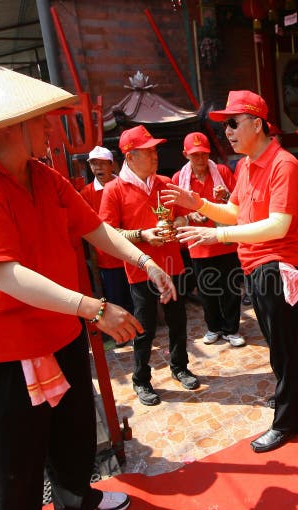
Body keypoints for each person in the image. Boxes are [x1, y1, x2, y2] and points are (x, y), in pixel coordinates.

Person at [0, 63, 175, 510]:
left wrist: (146, 261)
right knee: (17, 458)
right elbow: (5, 274)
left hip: (61, 327)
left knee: (74, 429)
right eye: (43, 120)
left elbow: (96, 228)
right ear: (12, 127)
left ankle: (75, 499)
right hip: (11, 341)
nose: (52, 129)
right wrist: (97, 308)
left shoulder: (42, 175)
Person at [162, 90, 298, 453]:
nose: (226, 131)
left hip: (278, 265)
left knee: (283, 346)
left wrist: (217, 234)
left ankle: (287, 420)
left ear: (257, 124)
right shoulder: (244, 165)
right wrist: (199, 204)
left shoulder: (283, 164)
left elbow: (278, 225)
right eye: (224, 125)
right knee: (280, 340)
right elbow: (235, 211)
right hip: (255, 264)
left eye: (232, 123)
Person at [99, 125, 200, 404]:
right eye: (148, 151)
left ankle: (180, 367)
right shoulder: (114, 190)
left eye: (155, 150)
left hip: (172, 264)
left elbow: (185, 217)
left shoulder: (165, 183)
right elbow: (108, 232)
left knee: (178, 321)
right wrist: (142, 235)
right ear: (130, 157)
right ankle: (141, 379)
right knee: (144, 327)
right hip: (139, 270)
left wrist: (175, 224)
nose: (155, 155)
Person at [171, 132, 245, 347]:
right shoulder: (179, 179)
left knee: (230, 288)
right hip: (198, 244)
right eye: (195, 155)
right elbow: (175, 215)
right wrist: (188, 216)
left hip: (225, 242)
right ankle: (213, 327)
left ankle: (232, 329)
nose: (201, 159)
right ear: (186, 155)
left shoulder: (221, 171)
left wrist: (224, 196)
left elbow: (237, 202)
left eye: (203, 154)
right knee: (206, 290)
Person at [80, 146, 133, 321]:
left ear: (112, 165)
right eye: (94, 164)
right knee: (115, 297)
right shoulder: (86, 193)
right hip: (107, 257)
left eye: (102, 164)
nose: (98, 168)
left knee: (137, 296)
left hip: (131, 250)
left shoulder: (127, 186)